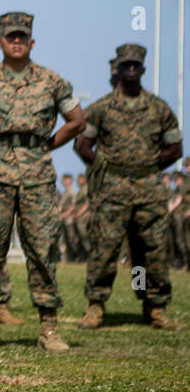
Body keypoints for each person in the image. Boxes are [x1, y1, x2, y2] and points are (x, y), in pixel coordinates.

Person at [0, 12, 85, 352]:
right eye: (11, 37)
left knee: (42, 250)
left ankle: (49, 329)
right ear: (0, 42)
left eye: (22, 36)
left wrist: (49, 144)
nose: (17, 41)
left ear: (32, 41)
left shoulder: (53, 81)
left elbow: (77, 120)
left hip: (37, 176)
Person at [73, 44, 183, 331]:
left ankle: (154, 306)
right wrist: (108, 168)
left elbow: (175, 148)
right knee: (105, 249)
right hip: (112, 191)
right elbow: (83, 145)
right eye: (126, 65)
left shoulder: (159, 108)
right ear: (118, 69)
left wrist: (147, 167)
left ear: (142, 69)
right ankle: (96, 306)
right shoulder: (101, 108)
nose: (131, 69)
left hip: (150, 191)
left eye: (136, 65)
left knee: (151, 250)